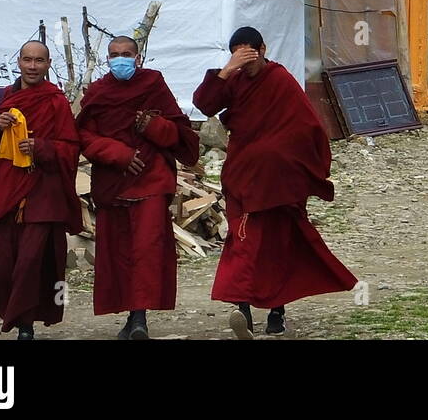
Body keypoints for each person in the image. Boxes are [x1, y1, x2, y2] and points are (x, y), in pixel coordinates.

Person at [193, 27, 357, 339]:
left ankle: (276, 311)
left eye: (251, 54)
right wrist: (227, 71)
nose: (247, 62)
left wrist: (289, 162)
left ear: (263, 49)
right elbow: (204, 104)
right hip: (242, 177)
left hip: (279, 182)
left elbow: (308, 128)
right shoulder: (235, 80)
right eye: (239, 55)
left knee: (277, 247)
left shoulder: (280, 80)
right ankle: (240, 308)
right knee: (241, 244)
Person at [77, 36, 200, 340]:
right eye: (115, 55)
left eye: (126, 54)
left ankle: (140, 316)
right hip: (113, 182)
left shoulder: (154, 85)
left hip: (151, 178)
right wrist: (117, 154)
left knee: (147, 249)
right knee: (117, 252)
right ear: (107, 59)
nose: (121, 59)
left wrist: (153, 127)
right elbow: (83, 137)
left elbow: (180, 136)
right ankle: (131, 314)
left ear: (138, 57)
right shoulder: (99, 91)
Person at [0, 41, 83, 340]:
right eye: (27, 60)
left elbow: (71, 150)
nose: (32, 66)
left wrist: (41, 147)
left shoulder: (56, 101)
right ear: (18, 61)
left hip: (43, 196)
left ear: (48, 64)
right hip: (4, 193)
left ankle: (26, 327)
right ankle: (16, 316)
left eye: (39, 61)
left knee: (32, 264)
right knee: (0, 267)